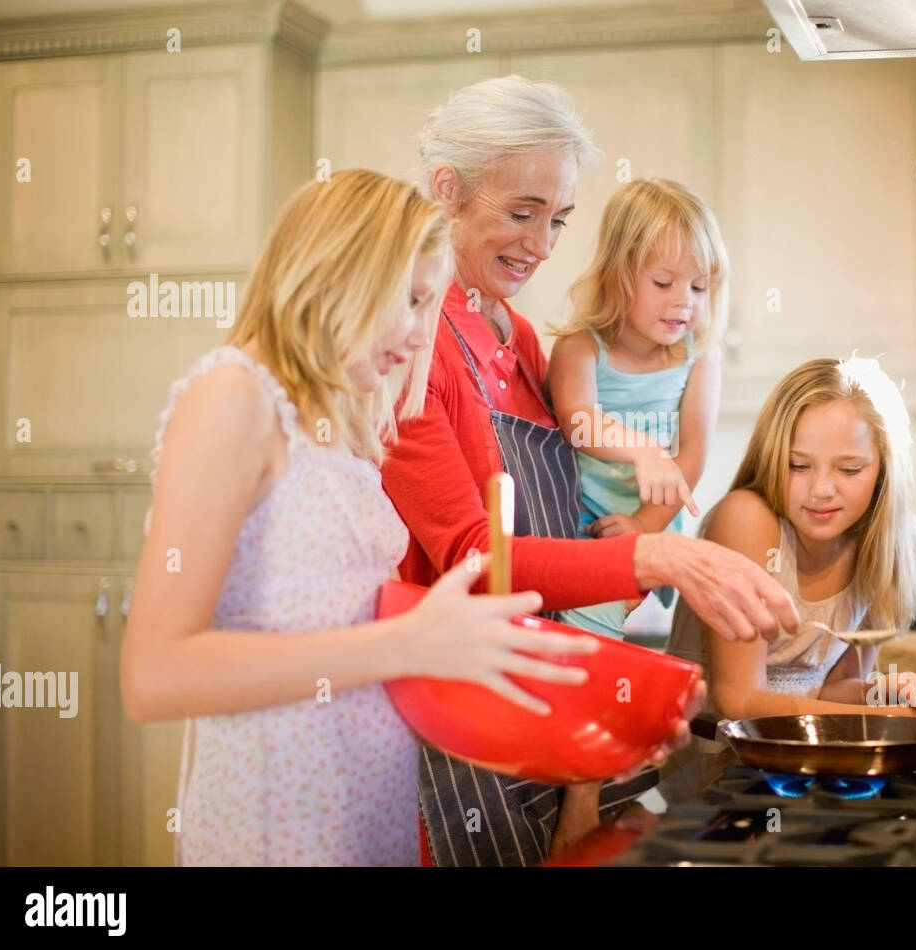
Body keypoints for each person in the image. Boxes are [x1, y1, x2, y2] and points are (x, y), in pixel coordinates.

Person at [120, 169, 599, 866]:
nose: (415, 338)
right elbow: (154, 675)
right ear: (340, 271)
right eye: (408, 300)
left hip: (364, 809)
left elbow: (338, 629)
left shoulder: (339, 422)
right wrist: (408, 642)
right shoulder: (233, 397)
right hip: (275, 820)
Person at [381, 75, 799, 866]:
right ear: (447, 190)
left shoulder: (522, 339)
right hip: (457, 709)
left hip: (537, 704)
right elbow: (477, 558)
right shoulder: (410, 340)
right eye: (521, 212)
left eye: (559, 219)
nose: (541, 244)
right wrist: (653, 552)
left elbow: (562, 517)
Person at [667, 357, 916, 746]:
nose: (822, 489)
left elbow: (831, 690)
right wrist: (907, 723)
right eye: (799, 465)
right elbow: (738, 701)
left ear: (883, 471)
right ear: (773, 457)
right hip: (714, 764)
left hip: (806, 755)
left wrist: (900, 692)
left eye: (850, 470)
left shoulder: (878, 546)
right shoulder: (746, 520)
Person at [543, 177, 727, 849]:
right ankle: (599, 788)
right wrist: (641, 449)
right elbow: (580, 423)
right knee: (588, 651)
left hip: (651, 524)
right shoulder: (580, 348)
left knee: (606, 643)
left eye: (699, 288)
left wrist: (647, 529)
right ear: (620, 275)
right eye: (665, 282)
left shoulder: (695, 359)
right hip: (584, 521)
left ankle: (587, 797)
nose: (684, 303)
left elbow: (697, 454)